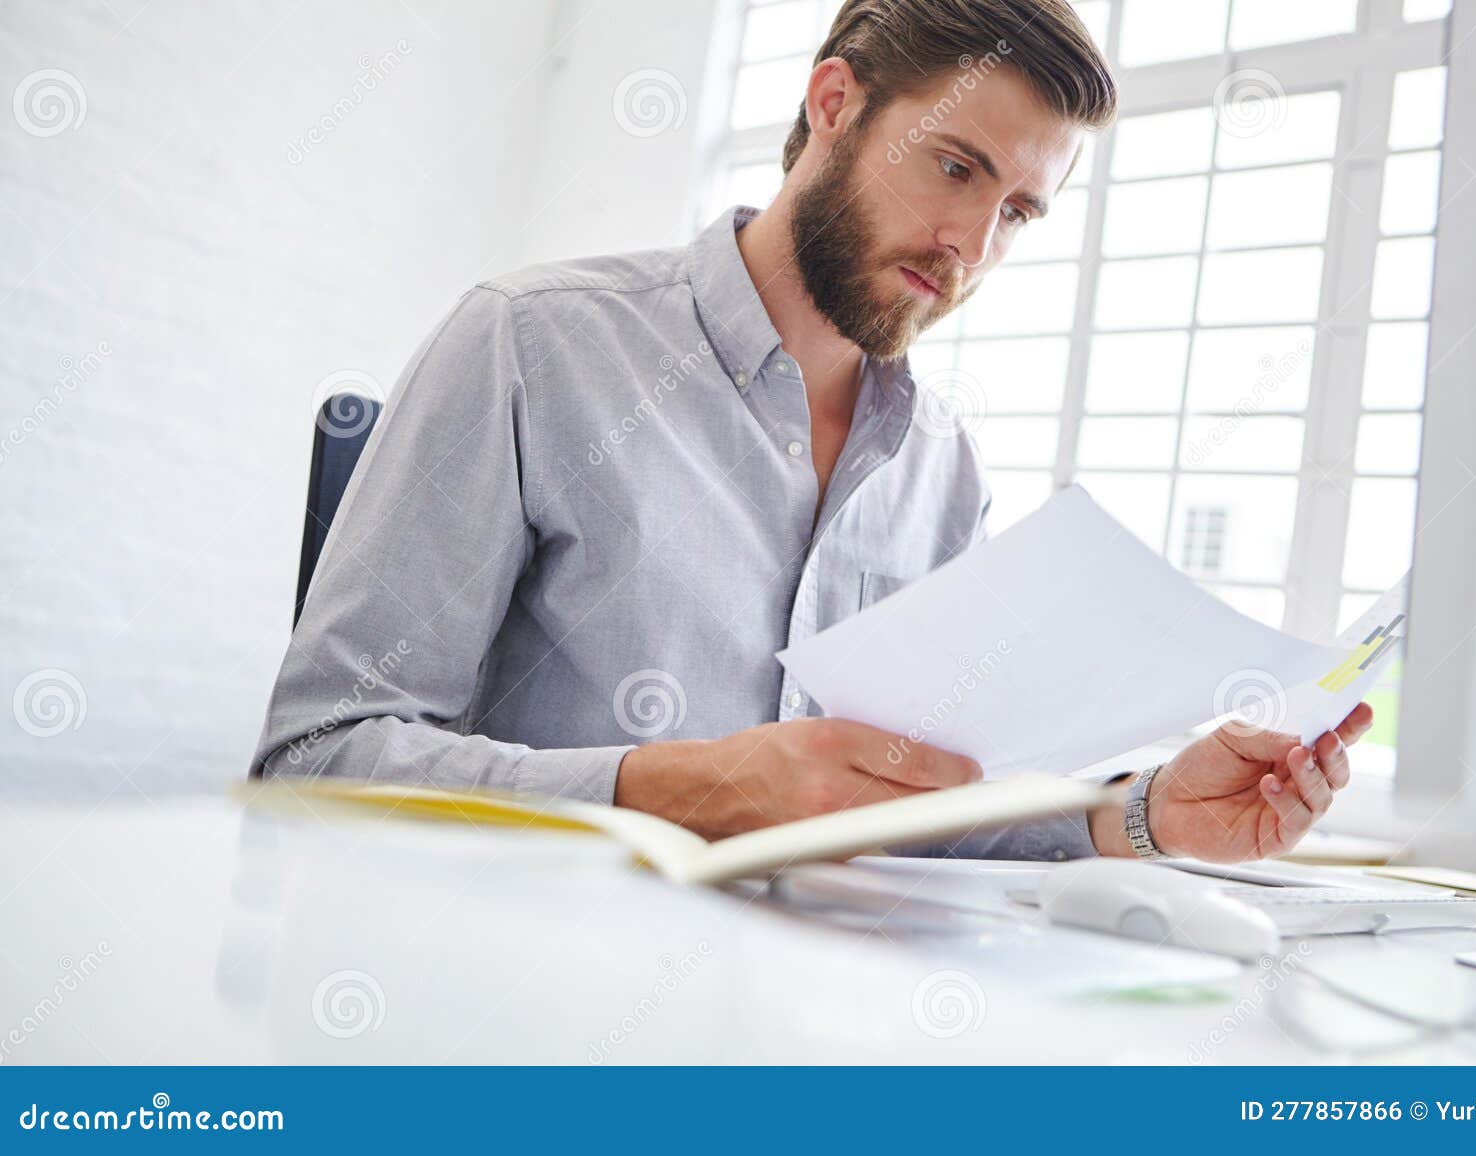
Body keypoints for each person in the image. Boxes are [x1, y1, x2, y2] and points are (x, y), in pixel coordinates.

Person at [254, 0, 1372, 863]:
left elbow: (922, 801)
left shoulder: (944, 468)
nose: (971, 245)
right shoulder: (530, 346)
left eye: (1017, 213)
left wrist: (1141, 815)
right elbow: (312, 759)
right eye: (955, 167)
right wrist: (675, 790)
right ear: (835, 102)